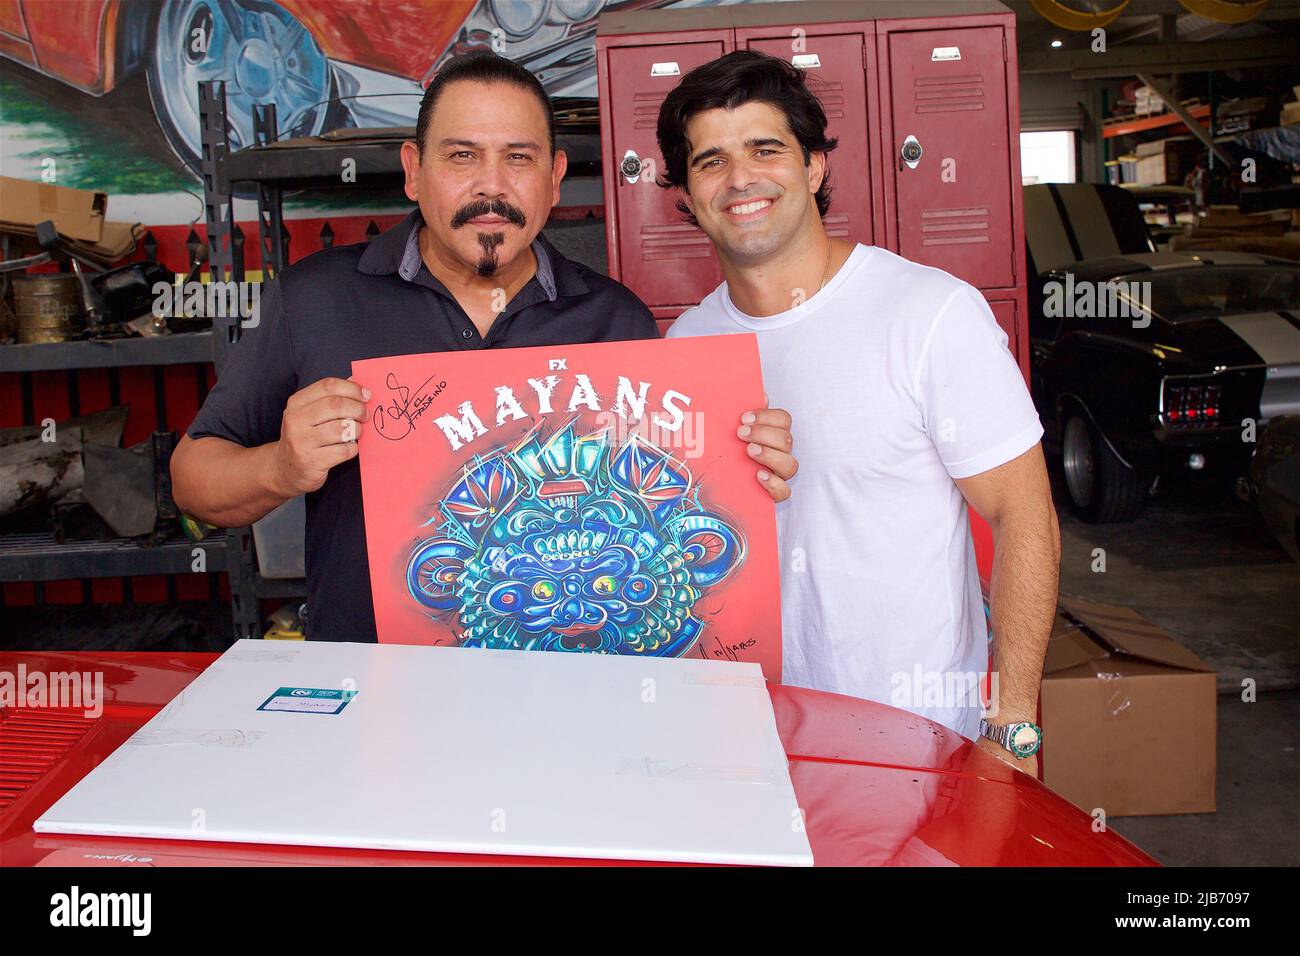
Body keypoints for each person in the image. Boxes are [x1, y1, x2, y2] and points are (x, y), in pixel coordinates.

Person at [171, 52, 797, 643]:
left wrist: (742, 459)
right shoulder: (314, 300)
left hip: (581, 699)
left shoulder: (613, 319)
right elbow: (192, 480)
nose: (491, 186)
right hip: (383, 706)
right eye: (462, 156)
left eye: (519, 158)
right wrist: (280, 466)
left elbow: (678, 490)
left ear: (554, 179)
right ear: (414, 171)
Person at [657, 51, 1060, 770]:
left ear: (813, 168)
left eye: (765, 149)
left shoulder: (930, 313)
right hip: (752, 742)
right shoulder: (688, 344)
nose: (741, 178)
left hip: (925, 740)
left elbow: (1022, 516)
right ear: (685, 194)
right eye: (710, 161)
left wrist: (1014, 725)